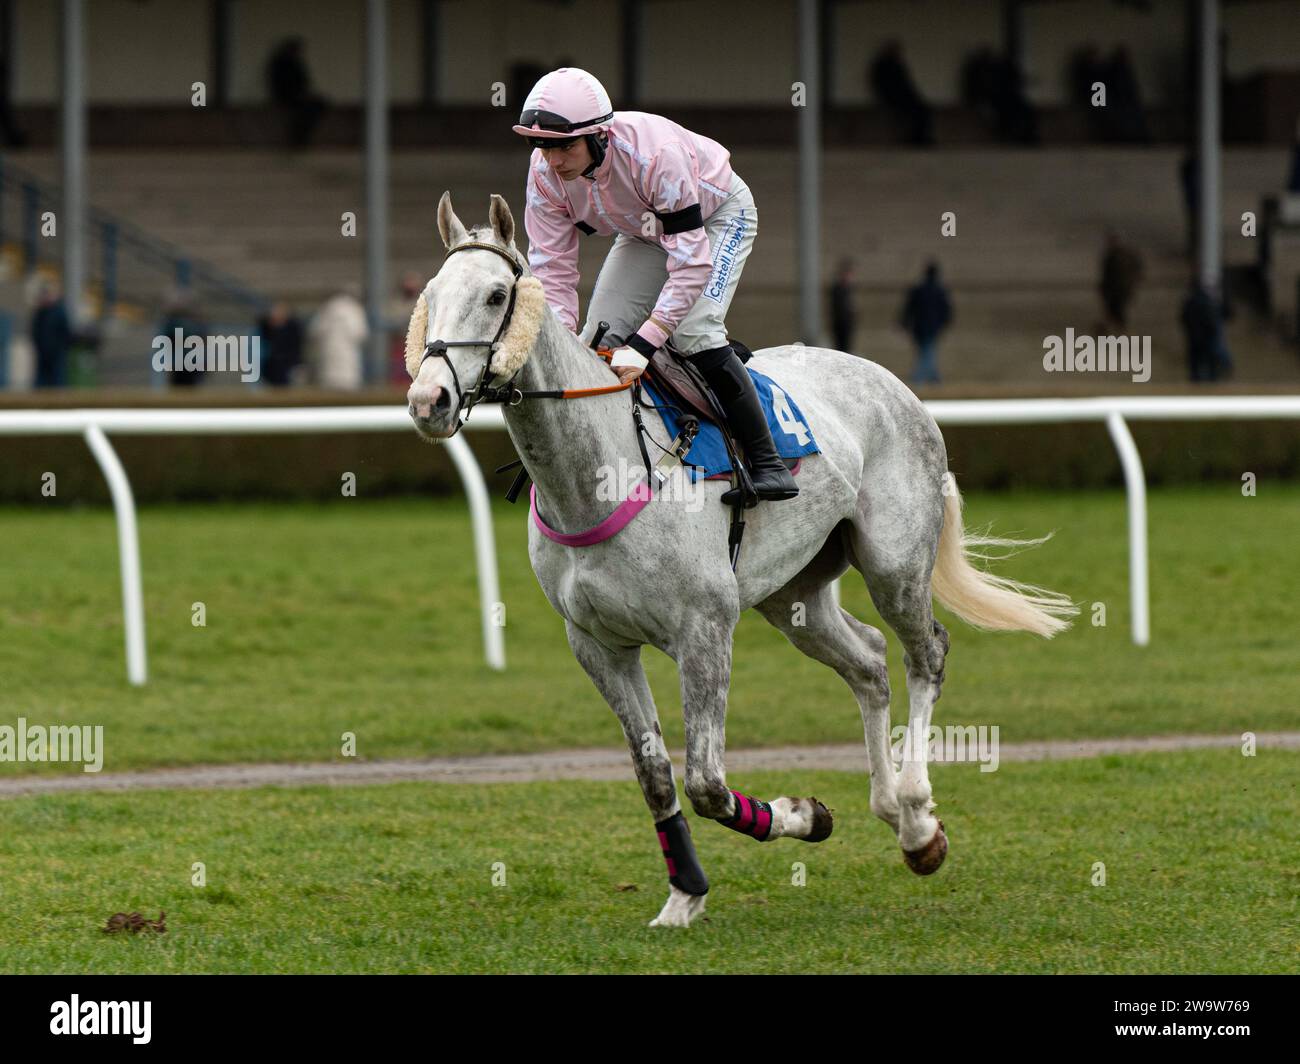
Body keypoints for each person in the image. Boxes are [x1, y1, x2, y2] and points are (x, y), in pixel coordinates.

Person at [514, 67, 796, 505]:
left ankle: (769, 462)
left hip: (718, 216)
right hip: (643, 231)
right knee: (596, 338)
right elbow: (552, 267)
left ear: (599, 136)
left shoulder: (656, 154)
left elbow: (690, 263)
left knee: (693, 330)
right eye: (541, 147)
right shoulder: (544, 174)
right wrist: (562, 336)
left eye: (564, 146)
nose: (552, 161)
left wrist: (646, 343)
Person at [869, 41, 934, 146]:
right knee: (915, 113)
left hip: (903, 98)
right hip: (895, 98)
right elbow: (885, 85)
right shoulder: (884, 65)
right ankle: (916, 138)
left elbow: (906, 84)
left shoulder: (895, 65)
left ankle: (919, 137)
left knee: (921, 111)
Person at [266, 37, 326, 148]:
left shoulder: (294, 62)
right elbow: (282, 83)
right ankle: (297, 138)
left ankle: (300, 137)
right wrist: (298, 94)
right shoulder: (282, 63)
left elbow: (303, 82)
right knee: (305, 110)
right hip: (287, 96)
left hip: (298, 96)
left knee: (317, 105)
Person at [900, 262, 952, 386]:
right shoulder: (940, 290)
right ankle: (921, 380)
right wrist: (944, 323)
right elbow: (946, 310)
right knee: (927, 352)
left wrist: (904, 323)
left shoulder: (918, 289)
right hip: (933, 327)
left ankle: (932, 379)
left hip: (918, 328)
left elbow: (908, 308)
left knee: (925, 352)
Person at [307, 287, 368, 389]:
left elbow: (315, 331)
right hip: (345, 357)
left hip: (332, 355)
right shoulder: (353, 309)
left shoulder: (327, 308)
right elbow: (360, 333)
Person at [1099, 231, 1144, 331]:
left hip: (1120, 289)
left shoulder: (1117, 256)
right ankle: (1118, 330)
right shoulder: (1119, 255)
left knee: (1116, 311)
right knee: (1115, 311)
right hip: (1120, 289)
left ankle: (1118, 331)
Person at [32, 283, 70, 388]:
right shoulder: (40, 313)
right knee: (41, 380)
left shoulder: (59, 312)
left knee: (57, 380)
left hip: (57, 353)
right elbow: (35, 331)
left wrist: (61, 347)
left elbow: (65, 332)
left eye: (48, 294)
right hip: (42, 352)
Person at [257, 302, 303, 386]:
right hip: (272, 368)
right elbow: (261, 323)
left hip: (288, 367)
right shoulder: (268, 329)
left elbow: (295, 349)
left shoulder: (292, 329)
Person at [829, 258, 857, 353]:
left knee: (847, 348)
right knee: (841, 348)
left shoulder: (849, 289)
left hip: (847, 323)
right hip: (840, 323)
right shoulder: (838, 289)